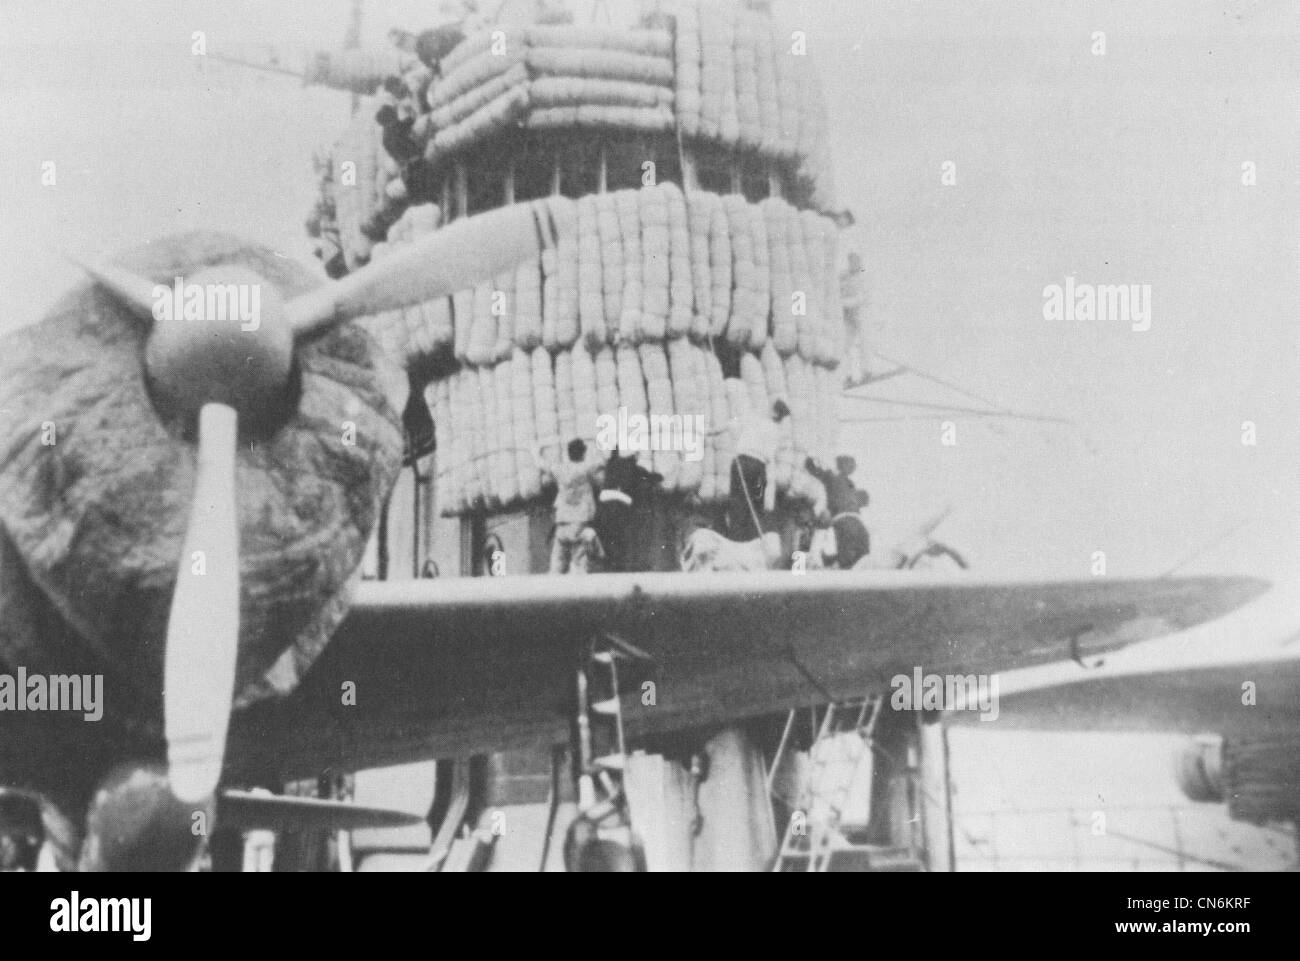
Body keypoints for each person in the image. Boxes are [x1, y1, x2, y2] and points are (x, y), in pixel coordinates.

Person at [537, 438, 604, 574]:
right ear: (583, 454)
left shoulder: (560, 469)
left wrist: (536, 450)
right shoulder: (586, 468)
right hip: (580, 522)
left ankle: (552, 592)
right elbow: (602, 461)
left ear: (568, 454)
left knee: (557, 563)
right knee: (579, 563)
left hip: (562, 523)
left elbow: (541, 465)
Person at [727, 400, 790, 541]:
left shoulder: (754, 418)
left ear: (773, 411)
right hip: (759, 467)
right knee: (755, 508)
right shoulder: (777, 431)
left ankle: (737, 541)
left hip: (742, 463)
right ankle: (751, 543)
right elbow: (771, 461)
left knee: (738, 505)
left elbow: (729, 426)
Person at [806, 454, 870, 568]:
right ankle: (839, 571)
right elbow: (813, 468)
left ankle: (839, 567)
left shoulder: (850, 483)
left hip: (854, 521)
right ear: (842, 465)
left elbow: (862, 500)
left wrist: (862, 497)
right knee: (851, 556)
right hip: (844, 521)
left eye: (853, 466)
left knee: (862, 554)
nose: (852, 468)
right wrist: (809, 459)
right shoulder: (832, 476)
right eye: (850, 465)